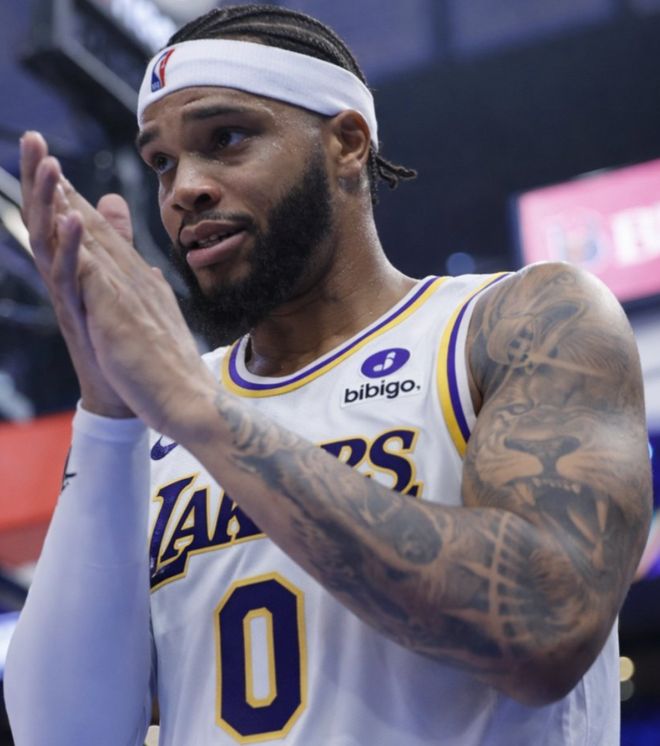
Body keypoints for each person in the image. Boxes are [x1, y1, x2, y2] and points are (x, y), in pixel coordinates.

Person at [5, 5, 652, 745]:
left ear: (347, 142)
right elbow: (63, 734)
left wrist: (201, 412)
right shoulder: (157, 416)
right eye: (162, 163)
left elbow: (545, 628)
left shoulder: (519, 320)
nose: (185, 188)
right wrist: (107, 414)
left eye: (227, 139)